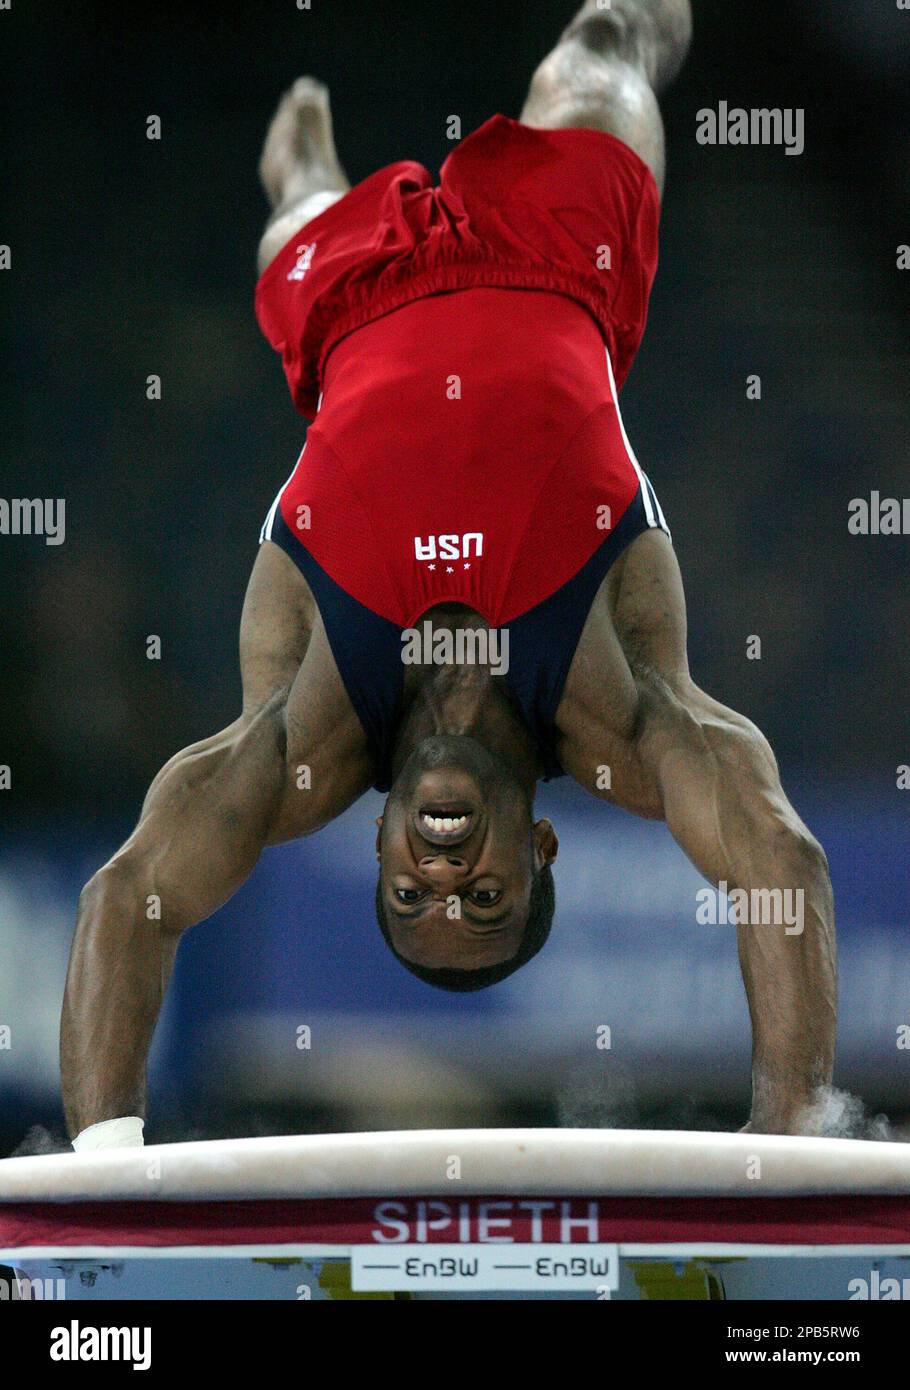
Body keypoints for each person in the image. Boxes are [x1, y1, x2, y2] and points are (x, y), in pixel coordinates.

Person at [61, 0, 836, 1150]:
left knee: (298, 215)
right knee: (608, 43)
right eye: (485, 896)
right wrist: (790, 1149)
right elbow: (782, 860)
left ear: (369, 848)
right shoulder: (621, 717)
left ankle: (304, 170)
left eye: (409, 895)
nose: (442, 870)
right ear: (540, 849)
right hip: (560, 258)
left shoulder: (299, 746)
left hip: (347, 307)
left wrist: (105, 1186)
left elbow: (125, 902)